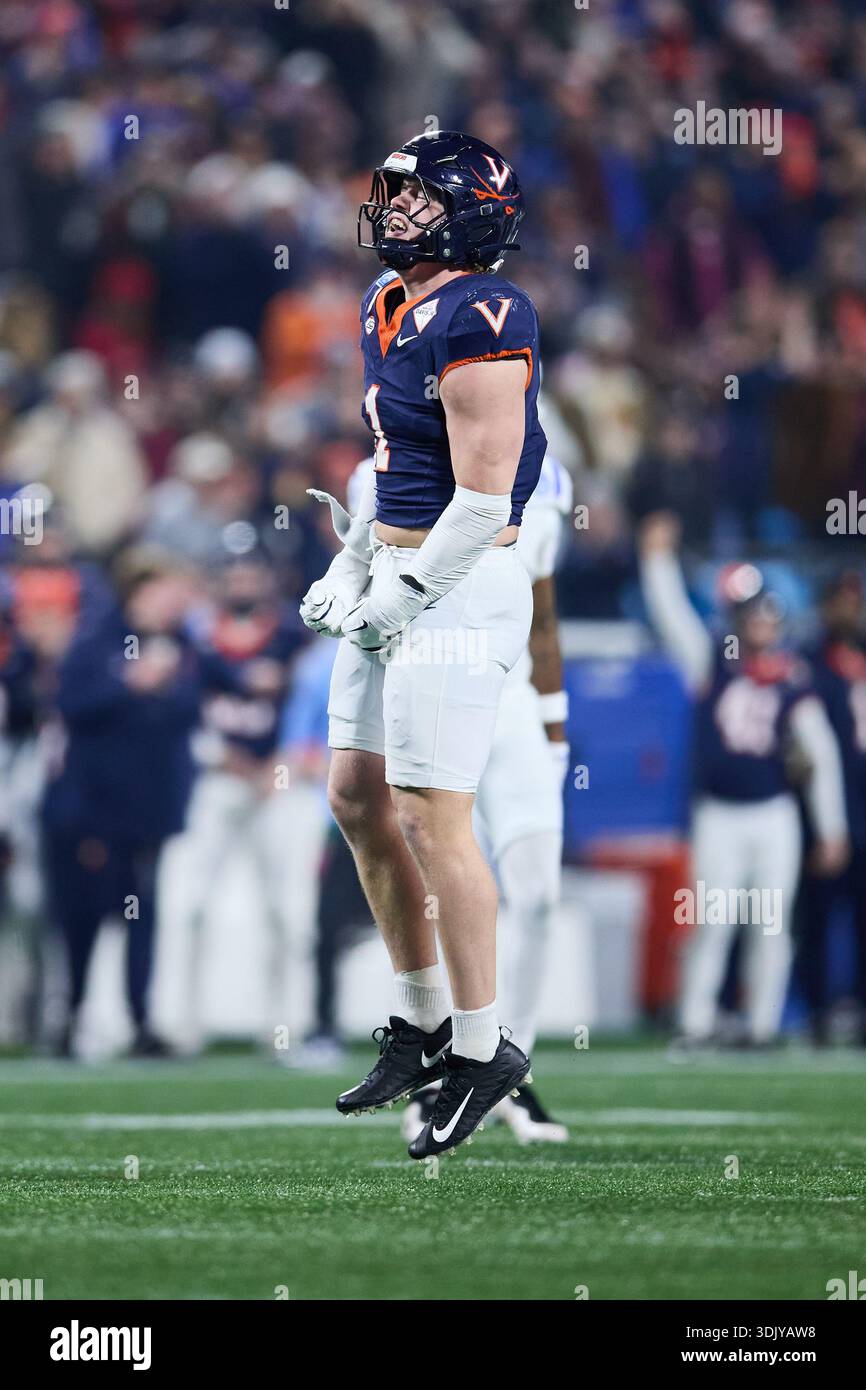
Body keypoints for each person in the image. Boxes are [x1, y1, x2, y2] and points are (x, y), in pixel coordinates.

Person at [300, 131, 545, 1158]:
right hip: (399, 568)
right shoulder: (385, 304)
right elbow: (397, 464)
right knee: (354, 796)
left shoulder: (487, 311)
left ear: (472, 210)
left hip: (457, 583)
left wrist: (398, 596)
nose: (393, 212)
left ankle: (486, 1048)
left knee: (433, 816)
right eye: (390, 196)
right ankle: (422, 1019)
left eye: (414, 198)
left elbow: (481, 498)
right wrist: (352, 558)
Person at [343, 452, 573, 1143]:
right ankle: (448, 1051)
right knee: (429, 865)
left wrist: (555, 729)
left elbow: (543, 609)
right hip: (431, 682)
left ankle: (509, 1066)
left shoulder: (541, 471)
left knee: (536, 891)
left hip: (508, 701)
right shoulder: (386, 466)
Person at [638, 512, 849, 1048]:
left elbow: (820, 752)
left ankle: (761, 1026)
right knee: (713, 922)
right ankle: (695, 1022)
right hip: (720, 811)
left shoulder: (792, 676)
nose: (762, 625)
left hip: (773, 811)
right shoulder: (712, 658)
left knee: (772, 925)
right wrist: (657, 560)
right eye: (753, 614)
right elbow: (670, 616)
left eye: (767, 616)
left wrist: (831, 827)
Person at [41, 547, 200, 1057]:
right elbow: (71, 704)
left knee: (142, 917)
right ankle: (70, 1019)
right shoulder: (98, 640)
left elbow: (193, 709)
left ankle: (140, 1020)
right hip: (92, 811)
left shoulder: (183, 645)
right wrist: (129, 685)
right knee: (83, 918)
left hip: (150, 810)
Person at [798, 572, 866, 1045]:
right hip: (826, 809)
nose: (849, 610)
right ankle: (819, 1009)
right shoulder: (808, 663)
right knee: (817, 916)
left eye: (854, 601)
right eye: (840, 601)